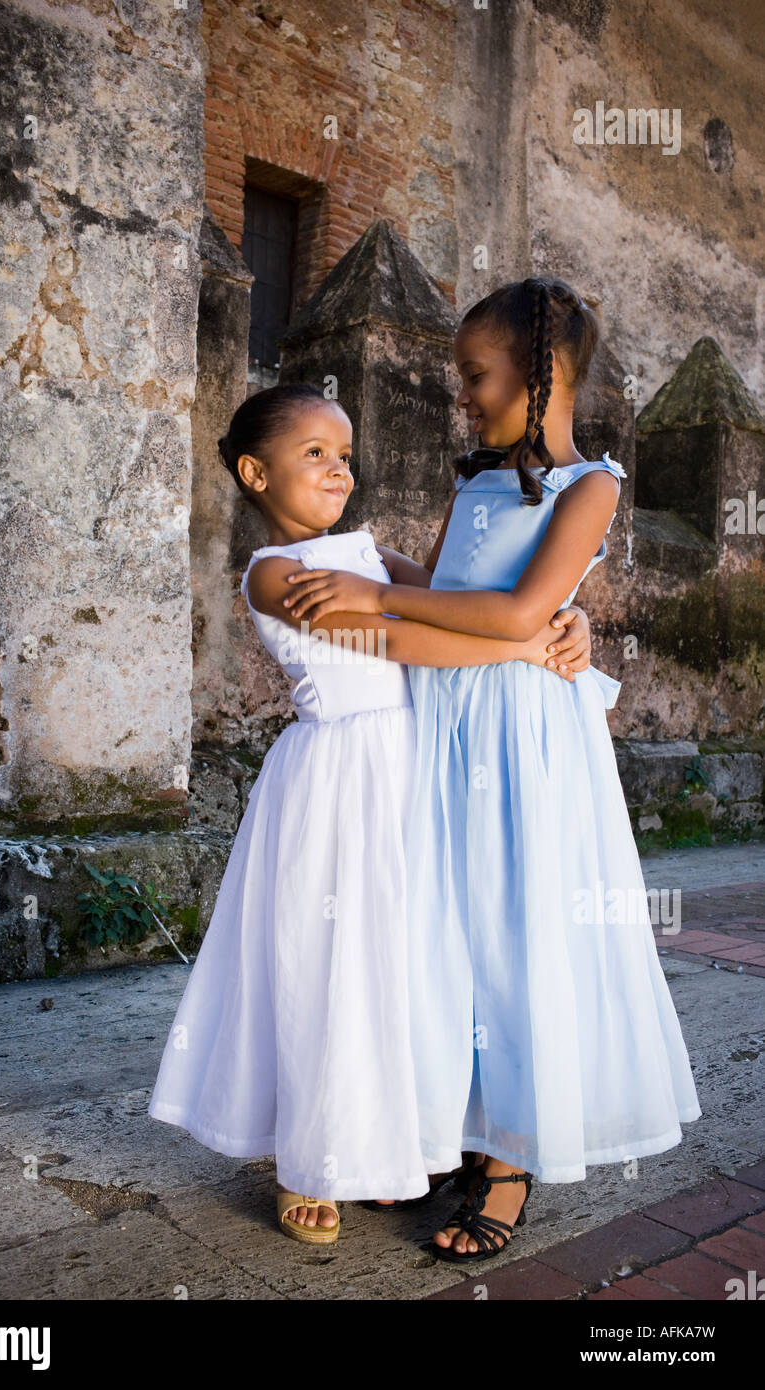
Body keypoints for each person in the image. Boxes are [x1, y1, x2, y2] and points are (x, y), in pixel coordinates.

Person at [281, 279, 702, 1262]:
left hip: (520, 742)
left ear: (539, 372)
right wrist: (381, 568)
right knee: (431, 925)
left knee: (514, 929)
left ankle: (507, 1159)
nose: (460, 395)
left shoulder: (588, 486)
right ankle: (436, 1133)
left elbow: (519, 614)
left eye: (475, 375)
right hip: (440, 724)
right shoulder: (474, 484)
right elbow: (450, 591)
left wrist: (375, 607)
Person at [148, 381, 596, 1244]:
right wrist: (527, 640)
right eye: (314, 452)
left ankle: (404, 1140)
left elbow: (455, 609)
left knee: (411, 965)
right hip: (340, 782)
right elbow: (384, 639)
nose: (337, 468)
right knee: (330, 966)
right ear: (254, 473)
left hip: (419, 771)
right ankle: (310, 1160)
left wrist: (561, 622)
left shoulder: (372, 555)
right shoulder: (276, 573)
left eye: (345, 454)